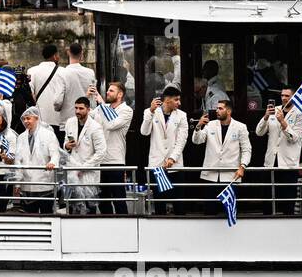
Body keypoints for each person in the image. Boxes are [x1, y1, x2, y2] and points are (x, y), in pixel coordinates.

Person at [191, 99, 250, 216]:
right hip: (210, 176)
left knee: (229, 212)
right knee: (209, 211)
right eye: (217, 108)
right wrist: (198, 126)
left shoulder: (240, 127)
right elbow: (197, 141)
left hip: (231, 176)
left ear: (228, 111)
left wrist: (243, 166)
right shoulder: (210, 124)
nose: (217, 111)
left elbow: (246, 149)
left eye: (220, 108)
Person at [255, 86, 302, 216]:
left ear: (294, 97)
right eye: (282, 95)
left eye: (287, 96)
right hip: (271, 161)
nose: (283, 98)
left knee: (287, 201)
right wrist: (266, 117)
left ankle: (288, 227)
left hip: (288, 163)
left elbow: (294, 138)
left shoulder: (301, 114)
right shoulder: (276, 109)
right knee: (267, 198)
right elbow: (259, 132)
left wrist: (283, 122)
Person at [140, 85, 189, 214]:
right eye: (176, 100)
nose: (179, 103)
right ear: (167, 100)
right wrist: (150, 111)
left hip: (175, 163)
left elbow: (181, 140)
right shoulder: (151, 112)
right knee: (159, 201)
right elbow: (144, 132)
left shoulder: (182, 116)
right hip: (158, 163)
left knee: (178, 201)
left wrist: (173, 158)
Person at [88, 81, 132, 215]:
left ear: (120, 94)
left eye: (111, 91)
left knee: (119, 199)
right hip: (99, 161)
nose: (107, 92)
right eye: (107, 90)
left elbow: (112, 124)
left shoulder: (127, 110)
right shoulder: (104, 107)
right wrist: (88, 98)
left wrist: (101, 104)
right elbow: (88, 118)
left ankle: (124, 226)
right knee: (102, 200)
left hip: (115, 161)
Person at [63, 97, 108, 215]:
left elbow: (101, 152)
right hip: (72, 173)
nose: (77, 111)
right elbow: (65, 144)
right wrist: (67, 146)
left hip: (89, 174)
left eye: (81, 108)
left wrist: (84, 167)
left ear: (88, 109)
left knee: (89, 208)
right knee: (73, 208)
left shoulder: (95, 127)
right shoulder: (70, 122)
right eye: (76, 108)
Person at [12, 107, 60, 214]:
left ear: (36, 118)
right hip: (27, 185)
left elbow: (55, 153)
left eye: (28, 118)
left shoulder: (48, 135)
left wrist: (52, 163)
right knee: (29, 216)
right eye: (24, 119)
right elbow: (18, 161)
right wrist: (17, 183)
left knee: (46, 214)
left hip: (45, 183)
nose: (25, 121)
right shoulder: (21, 137)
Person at [26, 43, 67, 140]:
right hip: (58, 119)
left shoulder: (32, 71)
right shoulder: (63, 71)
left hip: (39, 118)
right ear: (55, 56)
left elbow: (30, 94)